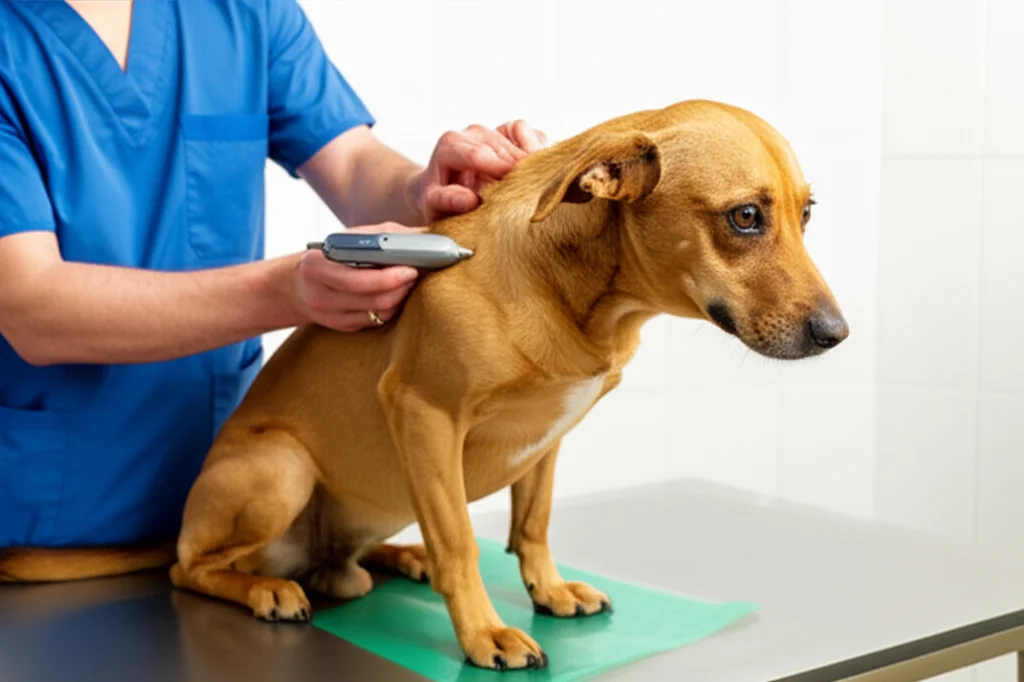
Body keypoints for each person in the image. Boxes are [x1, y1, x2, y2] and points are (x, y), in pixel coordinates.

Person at [0, 0, 547, 549]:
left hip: (253, 513)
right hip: (49, 525)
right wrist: (288, 291)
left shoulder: (246, 13)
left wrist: (423, 189)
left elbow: (354, 163)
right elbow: (31, 307)